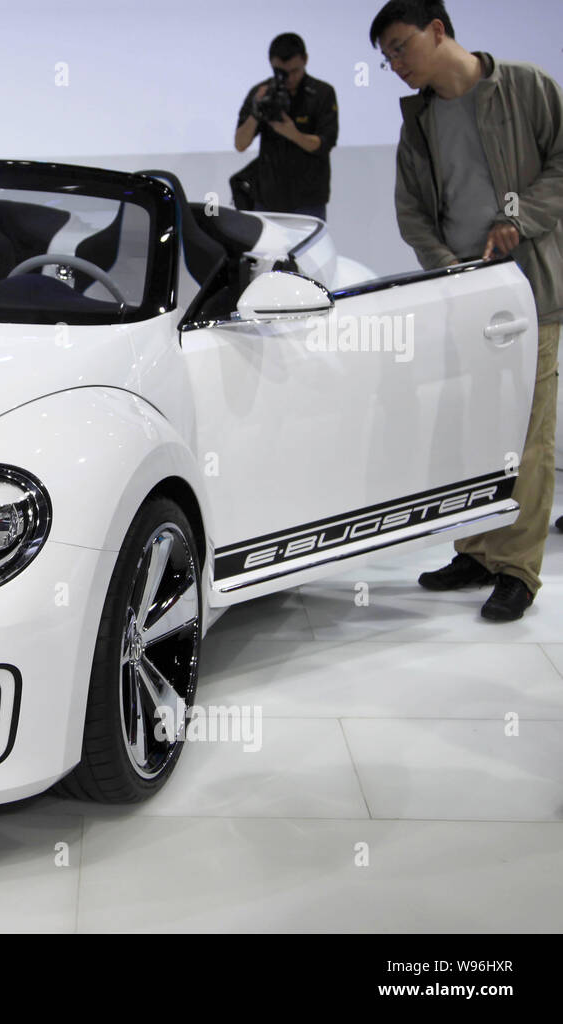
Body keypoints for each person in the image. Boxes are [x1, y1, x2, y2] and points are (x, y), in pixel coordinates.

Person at [371, 0, 563, 621]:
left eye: (400, 46)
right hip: (465, 300)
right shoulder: (419, 120)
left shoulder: (526, 87)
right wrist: (446, 267)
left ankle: (517, 570)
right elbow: (411, 210)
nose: (394, 63)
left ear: (437, 29)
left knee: (527, 436)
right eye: (386, 56)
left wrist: (518, 219)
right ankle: (477, 550)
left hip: (530, 292)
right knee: (472, 428)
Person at [234, 33, 339, 220]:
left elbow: (325, 143)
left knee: (309, 250)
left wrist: (293, 134)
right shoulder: (262, 93)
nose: (288, 78)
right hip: (267, 198)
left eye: (295, 71)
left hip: (308, 200)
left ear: (305, 60)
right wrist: (256, 112)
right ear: (271, 64)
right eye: (281, 72)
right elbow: (240, 144)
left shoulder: (322, 93)